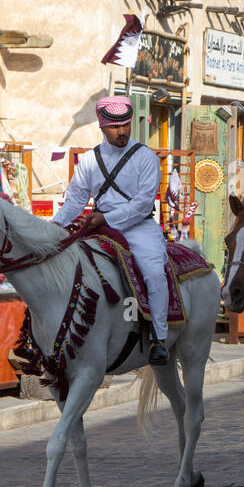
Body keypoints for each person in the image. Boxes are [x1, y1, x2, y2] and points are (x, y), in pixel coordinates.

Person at [51, 95, 170, 366]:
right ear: (102, 128)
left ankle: (158, 338)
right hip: (99, 227)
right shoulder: (90, 160)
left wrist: (104, 218)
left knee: (153, 271)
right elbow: (74, 201)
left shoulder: (146, 157)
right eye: (116, 127)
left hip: (139, 228)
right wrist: (55, 228)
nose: (123, 131)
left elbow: (142, 205)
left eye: (126, 125)